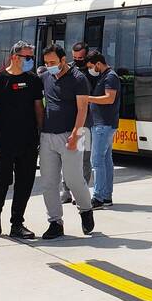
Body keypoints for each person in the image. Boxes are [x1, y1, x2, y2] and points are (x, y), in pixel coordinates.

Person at [0, 41, 43, 239]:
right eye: (27, 57)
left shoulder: (33, 80)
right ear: (15, 57)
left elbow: (38, 109)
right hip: (4, 142)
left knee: (25, 183)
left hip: (28, 141)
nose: (30, 61)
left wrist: (42, 133)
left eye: (32, 57)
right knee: (2, 181)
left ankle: (17, 223)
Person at [37, 45, 95, 239]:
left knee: (73, 178)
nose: (49, 66)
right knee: (48, 182)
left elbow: (82, 109)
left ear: (63, 60)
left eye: (52, 62)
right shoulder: (45, 77)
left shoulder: (79, 79)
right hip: (47, 136)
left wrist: (76, 134)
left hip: (74, 135)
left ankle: (85, 210)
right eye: (46, 63)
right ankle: (55, 222)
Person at [83, 50, 120, 208]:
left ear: (98, 63)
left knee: (97, 161)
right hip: (102, 124)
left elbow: (109, 98)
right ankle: (106, 197)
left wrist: (88, 99)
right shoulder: (105, 76)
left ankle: (98, 197)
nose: (91, 69)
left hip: (103, 125)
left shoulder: (110, 77)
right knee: (105, 161)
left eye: (92, 66)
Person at [61, 41, 95, 202]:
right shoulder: (69, 69)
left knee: (85, 158)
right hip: (68, 121)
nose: (77, 60)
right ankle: (65, 190)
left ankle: (81, 191)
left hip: (85, 123)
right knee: (67, 157)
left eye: (80, 58)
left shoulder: (94, 71)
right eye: (74, 57)